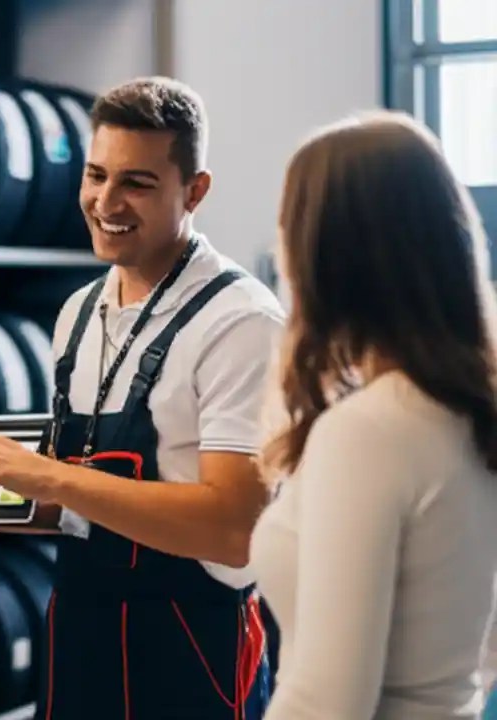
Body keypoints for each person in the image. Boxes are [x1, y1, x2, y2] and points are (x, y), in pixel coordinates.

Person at [0, 76, 285, 718]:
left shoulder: (240, 321)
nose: (106, 201)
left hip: (193, 656)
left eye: (137, 183)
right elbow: (87, 506)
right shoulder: (79, 313)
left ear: (195, 190)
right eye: (95, 175)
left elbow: (234, 531)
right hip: (81, 644)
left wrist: (51, 479)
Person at [248, 112, 497, 718]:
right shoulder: (469, 410)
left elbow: (327, 703)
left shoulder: (368, 433)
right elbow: (484, 655)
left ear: (329, 256)